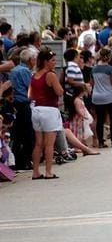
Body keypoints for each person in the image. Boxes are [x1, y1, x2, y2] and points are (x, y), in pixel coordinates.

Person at [29, 48, 64, 179]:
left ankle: (36, 171)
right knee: (49, 143)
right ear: (46, 62)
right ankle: (49, 171)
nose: (55, 62)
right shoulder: (51, 75)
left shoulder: (34, 76)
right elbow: (59, 91)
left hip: (36, 109)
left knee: (38, 143)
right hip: (49, 109)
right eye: (52, 60)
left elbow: (30, 94)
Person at [9, 48, 36, 170]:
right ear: (30, 60)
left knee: (18, 134)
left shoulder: (14, 70)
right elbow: (30, 87)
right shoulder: (25, 71)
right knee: (27, 133)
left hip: (16, 103)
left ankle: (17, 160)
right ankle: (26, 160)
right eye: (34, 59)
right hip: (24, 104)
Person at [91, 47, 112, 148]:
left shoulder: (94, 69)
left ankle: (101, 142)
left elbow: (92, 83)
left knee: (100, 120)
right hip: (109, 96)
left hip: (97, 97)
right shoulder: (111, 69)